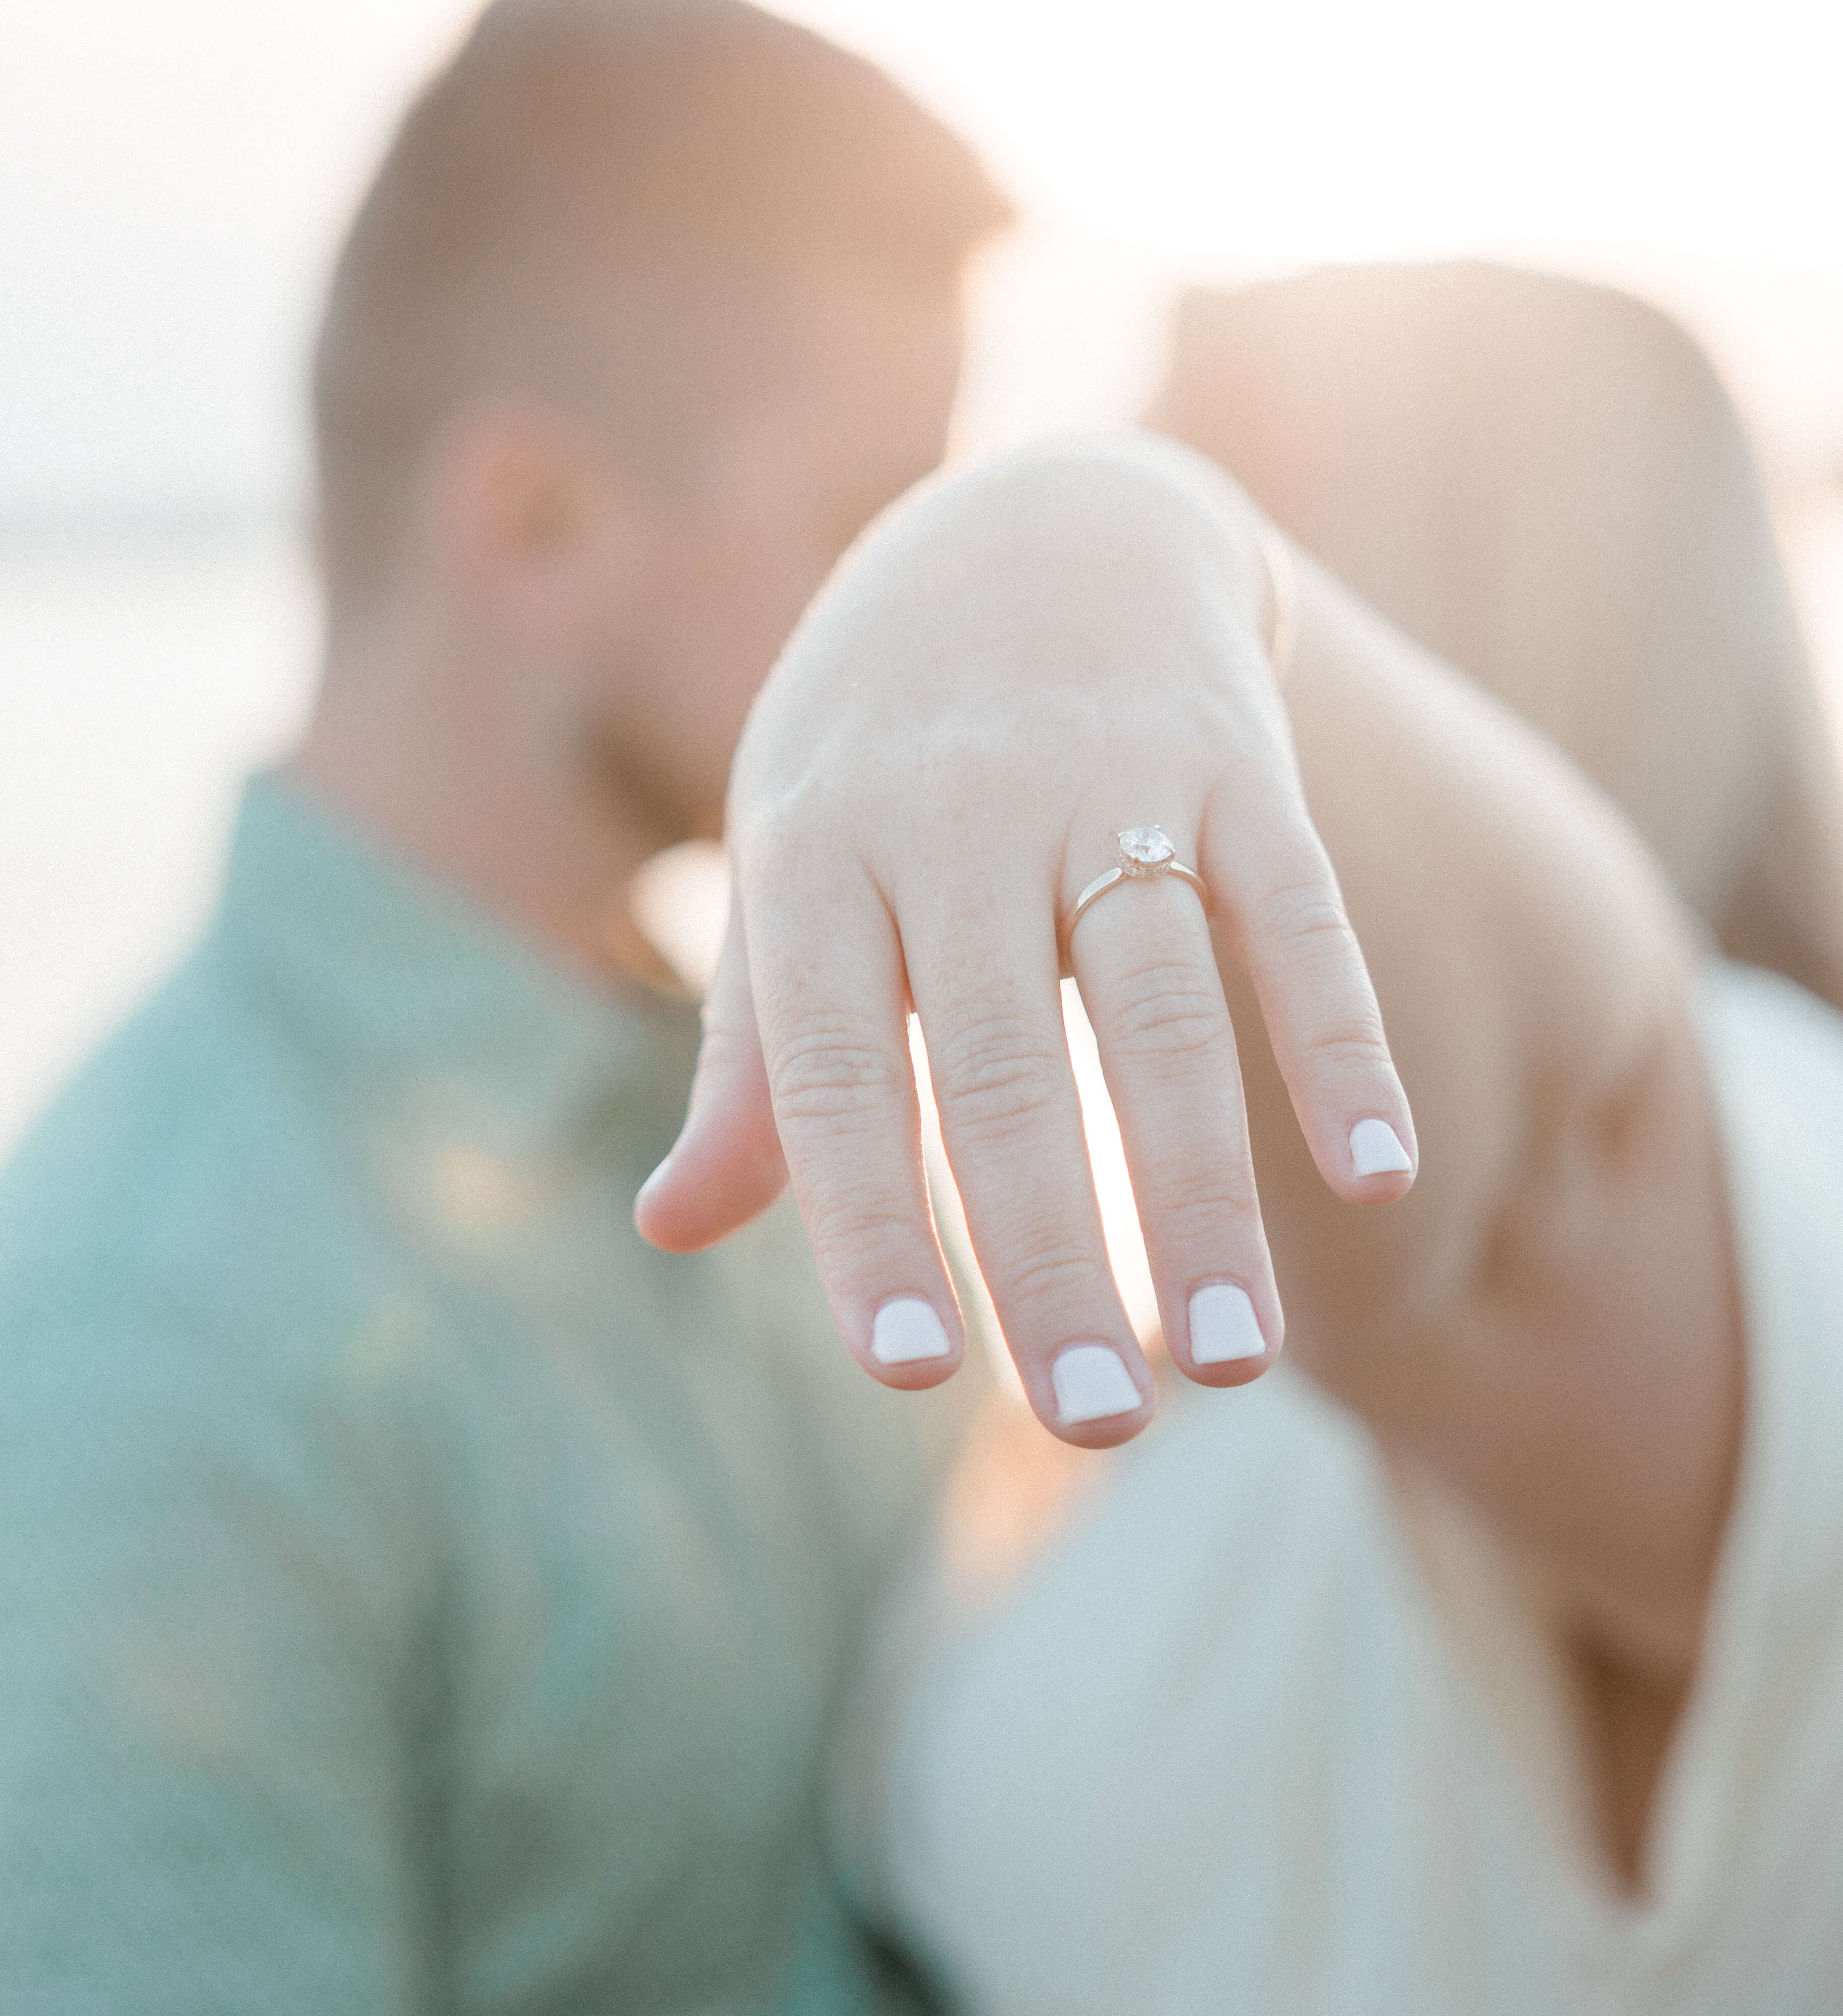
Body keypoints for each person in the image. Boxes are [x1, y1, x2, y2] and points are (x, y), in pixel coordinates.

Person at [640, 268, 1843, 2011]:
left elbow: (1534, 1176)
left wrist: (1095, 549)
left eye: (1229, 471)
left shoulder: (1754, 1188)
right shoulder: (1177, 1371)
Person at [0, 0, 1011, 2010]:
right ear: (532, 523)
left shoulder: (774, 1093)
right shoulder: (148, 1352)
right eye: (863, 516)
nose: (935, 616)